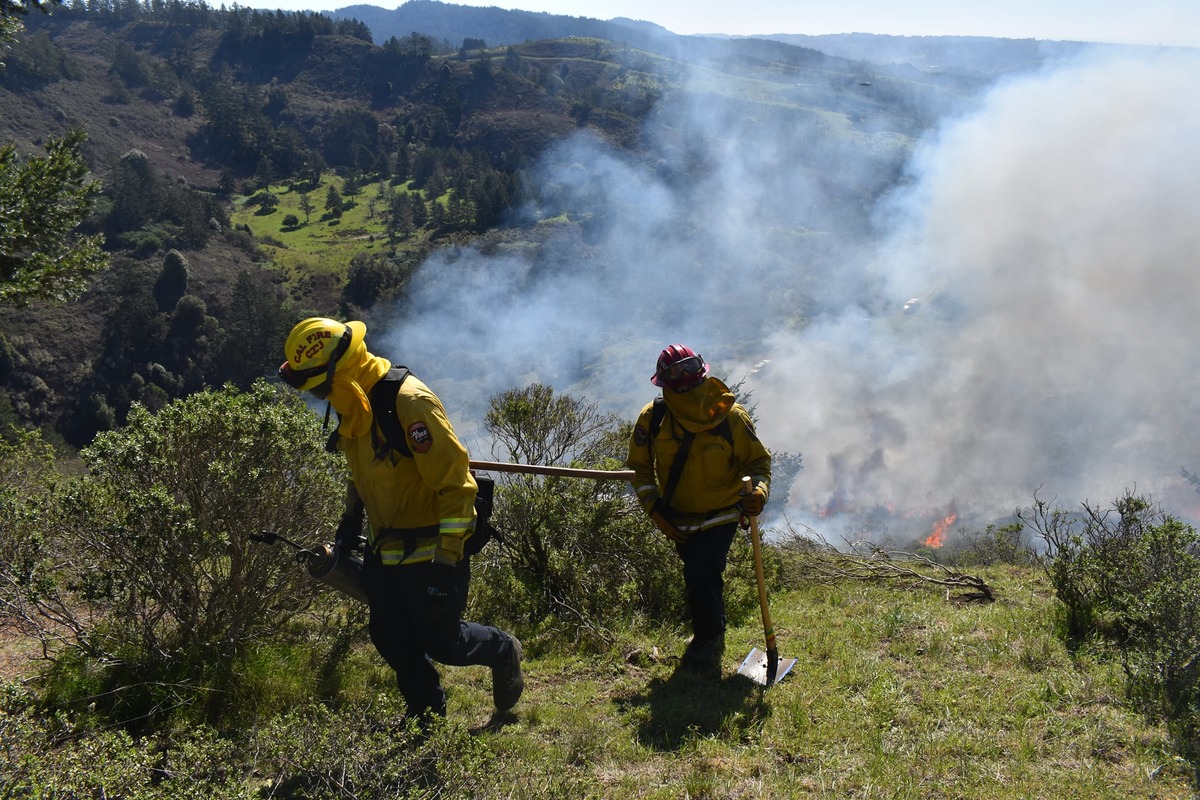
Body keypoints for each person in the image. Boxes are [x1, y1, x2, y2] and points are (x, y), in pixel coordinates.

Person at [279, 317, 523, 723]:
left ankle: (502, 649)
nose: (319, 395)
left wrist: (446, 562)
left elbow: (457, 485)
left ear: (338, 370)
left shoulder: (408, 403)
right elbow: (361, 471)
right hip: (384, 547)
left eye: (319, 385)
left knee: (444, 644)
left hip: (432, 551)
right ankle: (425, 715)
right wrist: (349, 523)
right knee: (390, 636)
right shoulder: (353, 403)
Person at [626, 344, 772, 674]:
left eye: (689, 372)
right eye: (677, 376)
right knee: (699, 576)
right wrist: (655, 511)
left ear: (702, 373)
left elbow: (758, 462)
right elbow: (640, 469)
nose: (686, 382)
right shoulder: (653, 418)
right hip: (677, 517)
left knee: (701, 572)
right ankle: (713, 628)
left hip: (721, 513)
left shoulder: (730, 416)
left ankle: (707, 640)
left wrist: (759, 493)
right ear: (665, 385)